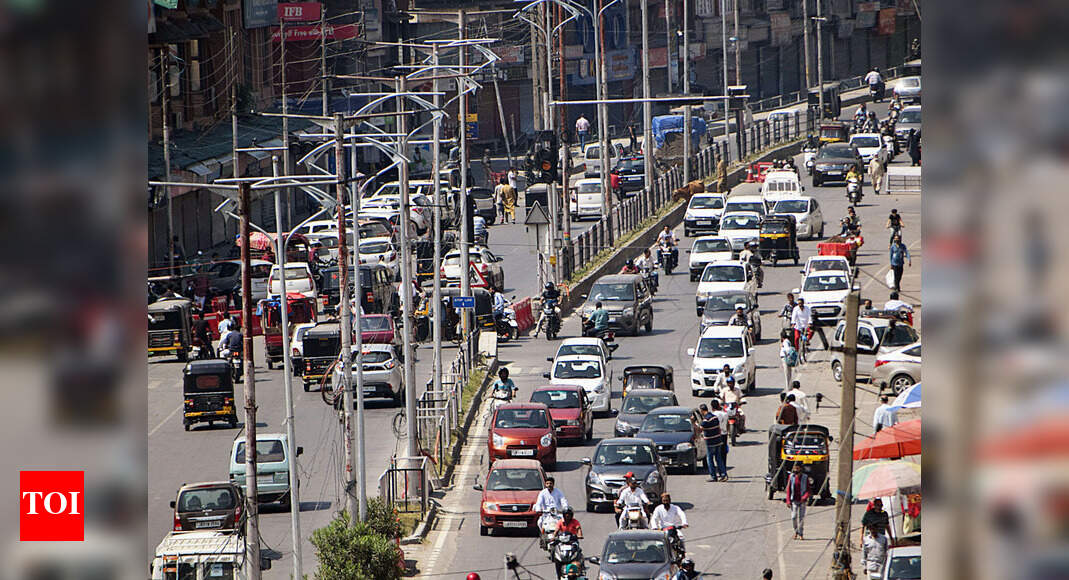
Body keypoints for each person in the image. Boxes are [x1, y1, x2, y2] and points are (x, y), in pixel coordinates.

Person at [699, 406, 727, 481]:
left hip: (710, 442)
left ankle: (713, 476)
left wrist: (692, 422)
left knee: (710, 459)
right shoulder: (714, 417)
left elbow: (699, 429)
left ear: (702, 411)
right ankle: (723, 474)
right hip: (718, 440)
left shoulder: (706, 420)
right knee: (718, 458)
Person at [785, 464, 812, 539]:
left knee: (801, 518)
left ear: (800, 469)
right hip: (794, 500)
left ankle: (801, 533)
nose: (796, 472)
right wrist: (788, 501)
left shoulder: (805, 477)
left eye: (797, 469)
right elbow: (788, 490)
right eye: (794, 469)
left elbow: (808, 490)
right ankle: (795, 531)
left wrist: (804, 497)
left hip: (802, 501)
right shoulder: (791, 477)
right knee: (793, 517)